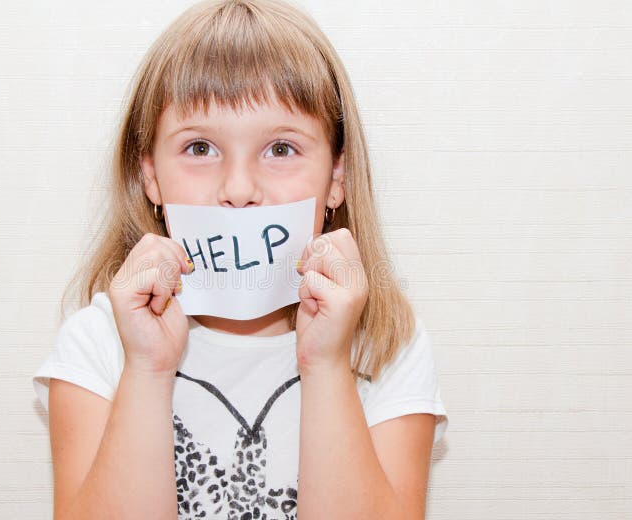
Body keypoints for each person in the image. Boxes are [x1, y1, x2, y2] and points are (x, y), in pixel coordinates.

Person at [32, 0, 449, 518]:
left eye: (280, 149)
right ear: (150, 177)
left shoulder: (384, 347)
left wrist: (326, 365)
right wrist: (147, 369)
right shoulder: (100, 346)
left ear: (336, 177)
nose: (238, 189)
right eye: (201, 148)